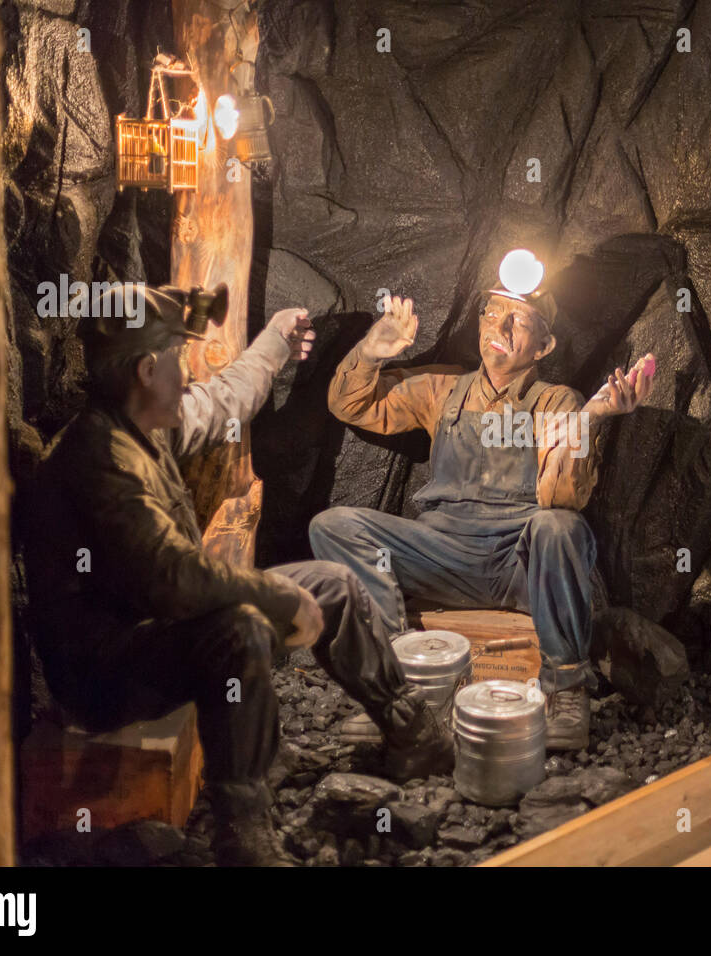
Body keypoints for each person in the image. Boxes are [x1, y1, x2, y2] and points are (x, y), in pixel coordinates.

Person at [25, 284, 452, 867]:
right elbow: (171, 577)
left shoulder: (145, 424)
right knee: (240, 629)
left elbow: (225, 397)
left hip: (158, 632)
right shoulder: (100, 459)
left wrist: (275, 342)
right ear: (149, 369)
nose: (184, 371)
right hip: (105, 673)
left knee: (332, 584)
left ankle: (410, 732)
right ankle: (244, 833)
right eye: (176, 358)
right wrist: (275, 595)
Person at [310, 260, 655, 751]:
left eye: (519, 321)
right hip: (441, 552)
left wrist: (593, 417)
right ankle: (391, 694)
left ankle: (566, 692)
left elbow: (564, 499)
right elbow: (353, 405)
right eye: (493, 314)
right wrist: (370, 352)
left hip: (519, 561)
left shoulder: (556, 402)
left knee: (559, 527)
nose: (501, 327)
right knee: (334, 525)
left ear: (544, 345)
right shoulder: (441, 389)